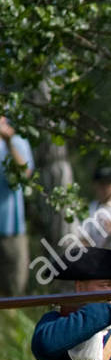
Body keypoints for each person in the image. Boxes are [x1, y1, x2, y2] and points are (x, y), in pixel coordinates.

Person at [0, 114, 35, 296]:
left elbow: (25, 174)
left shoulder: (18, 142)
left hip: (11, 229)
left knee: (14, 290)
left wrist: (8, 143)